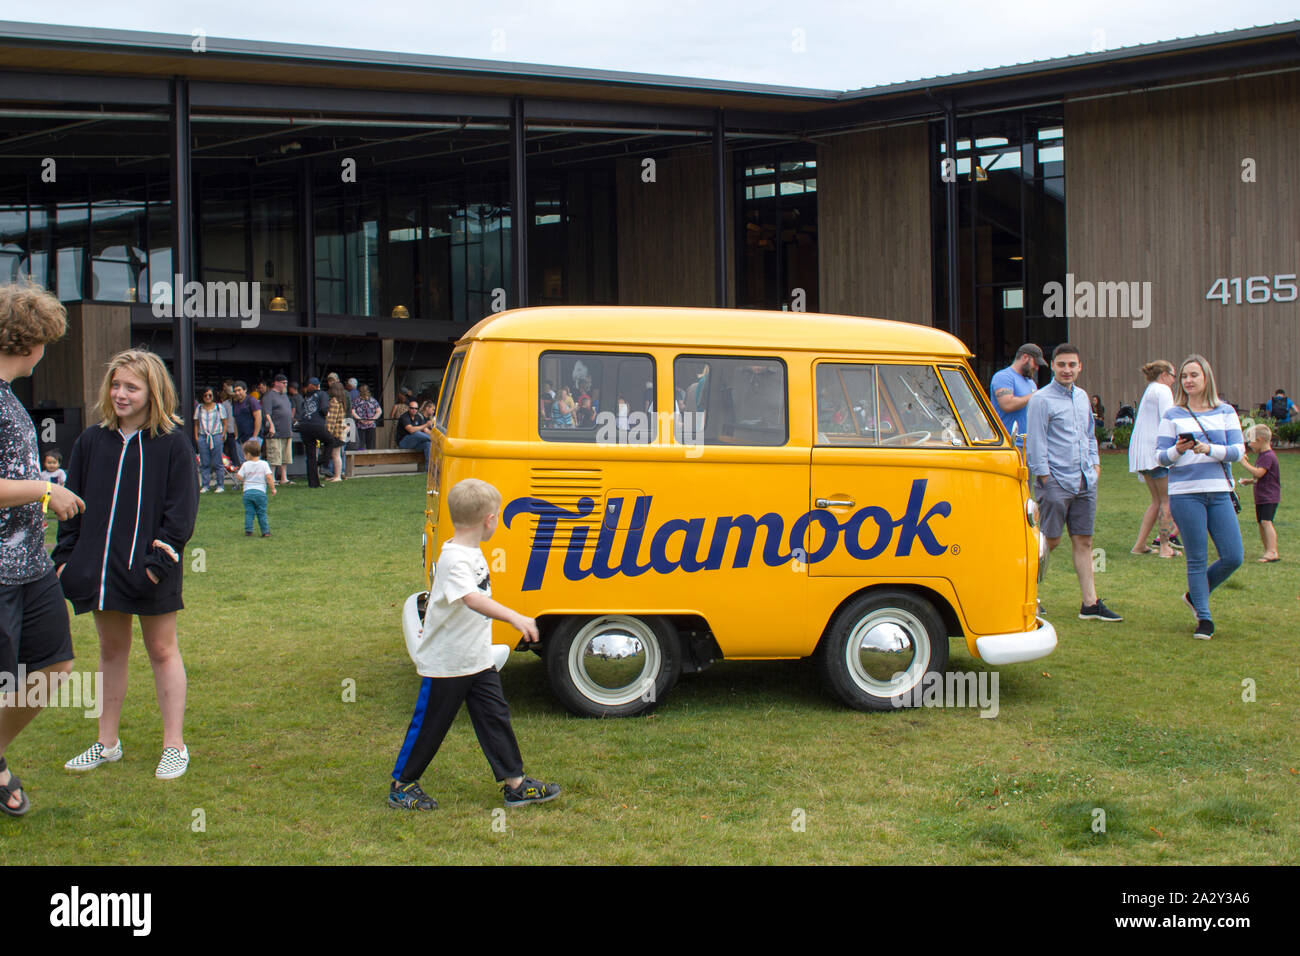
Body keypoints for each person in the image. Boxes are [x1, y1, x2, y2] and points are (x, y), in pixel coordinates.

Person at [53, 348, 199, 779]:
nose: (120, 394)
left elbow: (181, 514)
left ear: (152, 391)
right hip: (98, 573)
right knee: (111, 650)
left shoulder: (173, 443)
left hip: (151, 570)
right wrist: (66, 561)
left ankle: (174, 745)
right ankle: (106, 742)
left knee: (161, 649)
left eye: (131, 387)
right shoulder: (90, 440)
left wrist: (157, 564)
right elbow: (71, 505)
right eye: (116, 385)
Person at [388, 478, 560, 811]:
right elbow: (471, 599)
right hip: (448, 663)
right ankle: (402, 785)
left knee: (495, 717)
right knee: (430, 725)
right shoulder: (455, 559)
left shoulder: (468, 551)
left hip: (477, 660)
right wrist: (515, 617)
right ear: (490, 519)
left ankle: (515, 784)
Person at [0, 281, 84, 816]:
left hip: (30, 567)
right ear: (30, 342)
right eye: (46, 342)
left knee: (53, 668)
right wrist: (47, 489)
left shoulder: (8, 398)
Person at [1026, 343, 1121, 622]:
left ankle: (1090, 604)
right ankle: (1025, 596)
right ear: (1052, 366)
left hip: (1084, 480)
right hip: (1055, 481)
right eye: (1061, 365)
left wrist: (1095, 465)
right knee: (1048, 542)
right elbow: (1036, 441)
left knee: (1084, 540)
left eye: (1072, 365)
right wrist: (1045, 476)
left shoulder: (1082, 398)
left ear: (1080, 367)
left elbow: (1090, 436)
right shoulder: (1041, 400)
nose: (1067, 370)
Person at [1156, 354, 1244, 640]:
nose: (1188, 380)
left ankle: (1196, 595)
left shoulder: (1225, 411)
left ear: (1207, 378)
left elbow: (1238, 451)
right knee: (1196, 557)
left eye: (1194, 375)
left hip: (1219, 492)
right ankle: (1204, 618)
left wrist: (1209, 450)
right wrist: (1179, 450)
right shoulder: (1173, 414)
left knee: (1233, 556)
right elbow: (1160, 457)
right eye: (1184, 376)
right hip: (1185, 494)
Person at [1128, 360, 1179, 557]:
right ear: (1164, 374)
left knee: (1156, 501)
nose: (1174, 380)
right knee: (1166, 500)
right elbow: (1169, 419)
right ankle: (1165, 547)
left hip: (1143, 453)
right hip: (1156, 453)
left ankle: (1140, 545)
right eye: (1173, 376)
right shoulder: (1163, 390)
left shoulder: (1150, 390)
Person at [1237, 424, 1280, 563]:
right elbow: (1260, 477)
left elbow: (1259, 473)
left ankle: (1272, 551)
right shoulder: (1263, 456)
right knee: (1261, 522)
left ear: (1260, 440)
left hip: (1269, 496)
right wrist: (1249, 481)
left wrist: (1243, 462)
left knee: (1267, 522)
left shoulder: (1268, 456)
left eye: (1250, 441)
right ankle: (1267, 550)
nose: (1249, 444)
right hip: (1262, 496)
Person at [989, 343, 1044, 448]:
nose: (1037, 368)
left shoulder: (1031, 382)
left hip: (1028, 445)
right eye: (1035, 363)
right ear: (1025, 358)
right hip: (1009, 444)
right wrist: (1035, 395)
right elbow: (1007, 405)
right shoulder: (1004, 377)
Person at [296, 378, 338, 490]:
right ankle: (323, 463)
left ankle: (313, 483)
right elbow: (324, 409)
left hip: (303, 426)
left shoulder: (305, 397)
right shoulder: (322, 394)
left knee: (310, 455)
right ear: (318, 385)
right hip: (317, 425)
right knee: (330, 441)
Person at [231, 438, 275, 537]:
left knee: (249, 512)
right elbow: (269, 477)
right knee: (261, 512)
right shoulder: (264, 464)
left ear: (249, 454)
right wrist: (272, 488)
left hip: (248, 493)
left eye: (244, 454)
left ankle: (248, 530)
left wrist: (236, 473)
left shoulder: (245, 465)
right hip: (260, 492)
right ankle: (265, 531)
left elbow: (239, 477)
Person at [261, 374, 295, 486]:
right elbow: (266, 413)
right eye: (284, 383)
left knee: (285, 457)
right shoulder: (269, 396)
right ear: (277, 383)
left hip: (286, 431)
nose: (286, 385)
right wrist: (271, 426)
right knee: (274, 456)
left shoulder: (285, 395)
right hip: (275, 432)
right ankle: (272, 479)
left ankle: (284, 478)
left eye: (286, 382)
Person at [194, 386, 228, 494]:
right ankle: (205, 485)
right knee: (204, 462)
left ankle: (220, 485)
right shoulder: (199, 408)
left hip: (216, 435)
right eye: (205, 395)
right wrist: (196, 436)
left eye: (210, 395)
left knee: (218, 462)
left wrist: (223, 434)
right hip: (203, 436)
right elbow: (196, 423)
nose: (208, 397)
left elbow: (224, 421)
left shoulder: (219, 407)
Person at [325, 381, 349, 482]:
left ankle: (337, 476)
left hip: (336, 433)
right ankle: (337, 475)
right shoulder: (341, 401)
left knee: (335, 454)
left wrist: (327, 432)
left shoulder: (334, 401)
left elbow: (332, 419)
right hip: (341, 431)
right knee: (337, 454)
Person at [230, 381, 262, 454]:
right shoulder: (235, 404)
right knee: (243, 462)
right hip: (241, 438)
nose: (237, 393)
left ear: (245, 390)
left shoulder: (251, 401)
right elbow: (235, 420)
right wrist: (236, 436)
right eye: (235, 391)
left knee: (253, 461)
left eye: (239, 390)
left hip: (252, 437)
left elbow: (258, 418)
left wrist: (254, 437)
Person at [397, 399, 432, 465]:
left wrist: (435, 435)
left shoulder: (418, 417)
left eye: (416, 408)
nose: (414, 410)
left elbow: (425, 430)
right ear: (408, 408)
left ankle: (428, 468)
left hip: (415, 443)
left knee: (428, 443)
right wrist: (426, 425)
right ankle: (434, 440)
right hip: (403, 443)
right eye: (412, 408)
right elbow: (411, 430)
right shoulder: (404, 417)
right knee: (416, 433)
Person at [352, 384, 381, 450]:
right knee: (363, 445)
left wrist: (372, 419)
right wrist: (361, 420)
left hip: (368, 425)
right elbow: (352, 411)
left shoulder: (372, 400)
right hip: (361, 425)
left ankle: (370, 458)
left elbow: (379, 411)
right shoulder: (357, 400)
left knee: (368, 445)